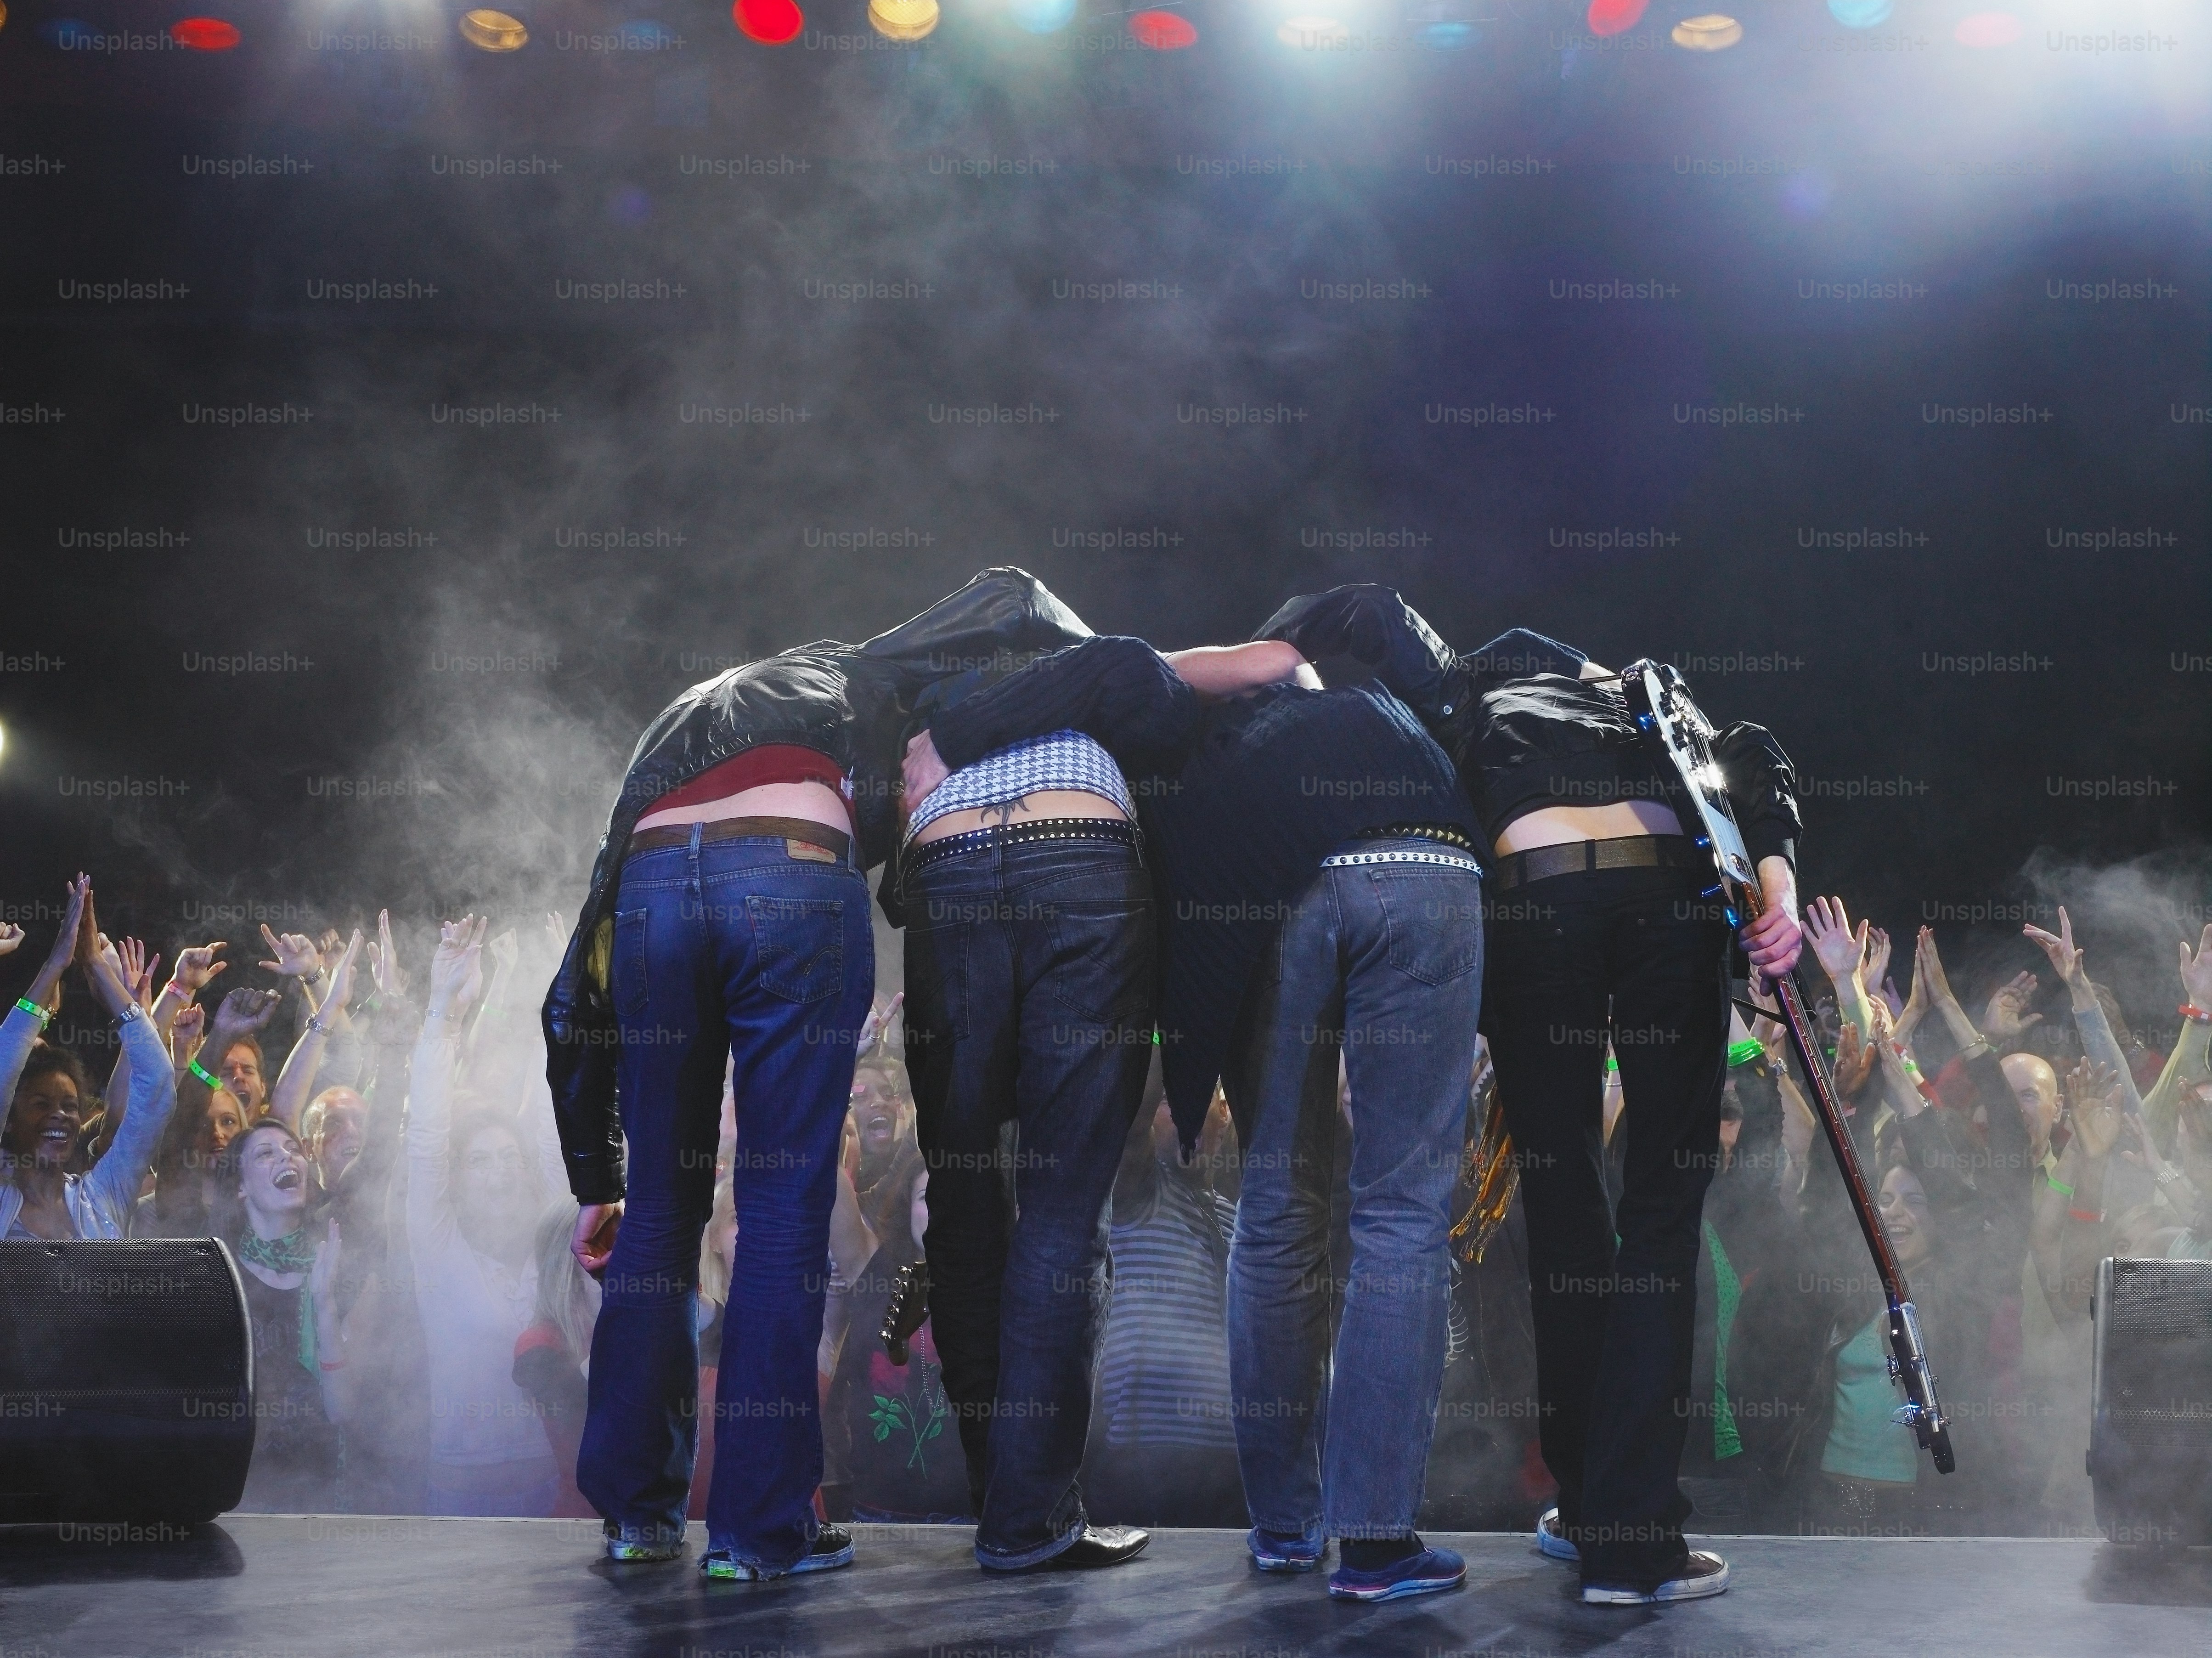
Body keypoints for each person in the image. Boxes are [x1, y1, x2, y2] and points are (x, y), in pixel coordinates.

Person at [901, 626, 1487, 1601]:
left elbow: (1175, 957)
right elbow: (1281, 649)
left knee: (1272, 1204)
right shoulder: (1359, 705)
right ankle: (1378, 1545)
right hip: (1423, 857)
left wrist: (1183, 1080)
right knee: (1400, 1215)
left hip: (1278, 899)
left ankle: (1286, 1529)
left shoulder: (1182, 769)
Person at [1255, 587, 1803, 1604]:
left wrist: (1264, 653)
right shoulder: (1641, 687)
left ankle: (1592, 1504)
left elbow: (1367, 609)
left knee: (1560, 1205)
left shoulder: (1470, 686)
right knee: (1658, 1213)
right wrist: (1776, 887)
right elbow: (1752, 754)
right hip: (1660, 899)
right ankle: (1629, 1541)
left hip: (1531, 902)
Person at [543, 567, 1093, 1580]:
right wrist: (1096, 667)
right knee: (783, 1211)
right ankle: (757, 1530)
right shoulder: (862, 669)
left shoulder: (673, 723)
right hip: (788, 870)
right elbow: (1009, 592)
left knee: (659, 1212)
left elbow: (572, 976)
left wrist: (594, 1178)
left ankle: (636, 1517)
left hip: (656, 888)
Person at [891, 610, 1158, 1573]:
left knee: (962, 1202)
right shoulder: (1087, 676)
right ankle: (1028, 1514)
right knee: (1058, 1211)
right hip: (1081, 847)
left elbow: (888, 869)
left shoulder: (926, 710)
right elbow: (1145, 676)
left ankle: (997, 1501)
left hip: (947, 859)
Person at [410, 917, 559, 1516]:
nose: (499, 1171)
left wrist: (561, 1004)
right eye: (480, 1161)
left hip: (557, 1492)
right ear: (458, 1182)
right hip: (461, 1501)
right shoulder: (440, 1255)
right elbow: (425, 1138)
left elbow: (553, 1129)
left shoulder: (550, 1256)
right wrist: (443, 1013)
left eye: (508, 1158)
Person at [1, 877, 180, 1242]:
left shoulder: (105, 1194)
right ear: (8, 1120)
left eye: (70, 1105)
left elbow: (158, 1082)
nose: (61, 1115)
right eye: (40, 1103)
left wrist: (96, 963)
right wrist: (55, 964)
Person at [229, 1118, 357, 1511]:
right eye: (265, 1153)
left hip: (319, 1495)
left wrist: (324, 1304)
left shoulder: (334, 1265)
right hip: (245, 1499)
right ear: (240, 1187)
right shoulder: (223, 1274)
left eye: (293, 1149)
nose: (287, 1157)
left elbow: (342, 1410)